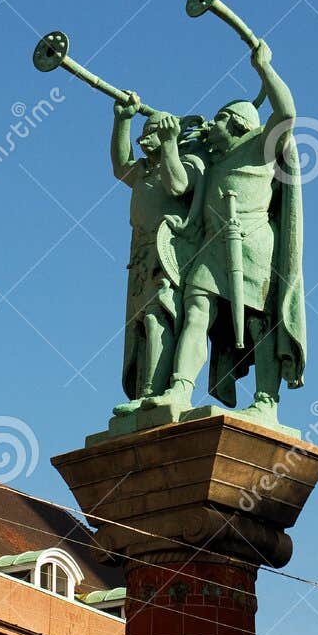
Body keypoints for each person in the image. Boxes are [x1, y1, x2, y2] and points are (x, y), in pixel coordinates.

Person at [144, 40, 305, 426]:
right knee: (196, 310)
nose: (211, 126)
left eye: (218, 119)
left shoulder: (261, 145)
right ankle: (181, 387)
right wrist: (169, 141)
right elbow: (178, 184)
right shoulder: (211, 160)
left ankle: (266, 400)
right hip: (214, 246)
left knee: (258, 322)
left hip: (253, 244)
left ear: (236, 124)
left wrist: (264, 68)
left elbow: (286, 113)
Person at [110, 93, 204, 415]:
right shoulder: (143, 170)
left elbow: (177, 186)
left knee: (158, 317)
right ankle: (144, 393)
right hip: (140, 256)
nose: (142, 140)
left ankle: (153, 393)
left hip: (168, 254)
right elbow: (120, 167)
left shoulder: (186, 163)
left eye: (149, 133)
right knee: (140, 326)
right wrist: (122, 120)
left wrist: (170, 144)